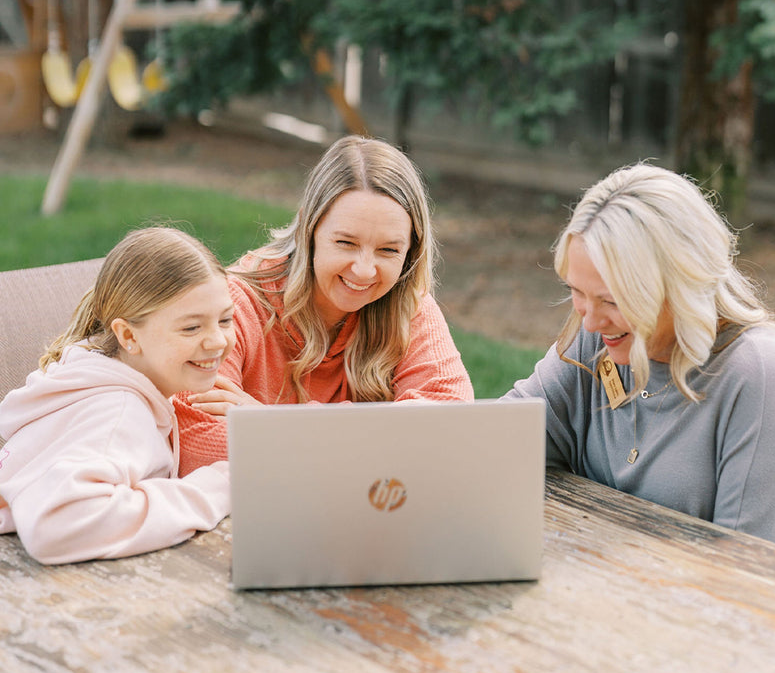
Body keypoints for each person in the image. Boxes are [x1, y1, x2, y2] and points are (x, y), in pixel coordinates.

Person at [503, 161, 775, 550]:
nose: (589, 321)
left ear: (681, 284)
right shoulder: (599, 341)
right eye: (577, 292)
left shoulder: (760, 372)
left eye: (612, 300)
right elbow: (497, 443)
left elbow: (751, 565)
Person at [175, 135, 473, 474]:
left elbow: (452, 422)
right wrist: (375, 438)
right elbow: (196, 445)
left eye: (389, 250)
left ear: (410, 251)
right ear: (309, 228)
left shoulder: (407, 303)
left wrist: (272, 424)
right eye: (346, 243)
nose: (365, 270)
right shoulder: (232, 304)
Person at [0, 227, 235, 565]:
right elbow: (57, 527)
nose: (218, 340)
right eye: (191, 327)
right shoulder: (119, 413)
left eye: (225, 319)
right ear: (128, 335)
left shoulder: (98, 375)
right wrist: (220, 485)